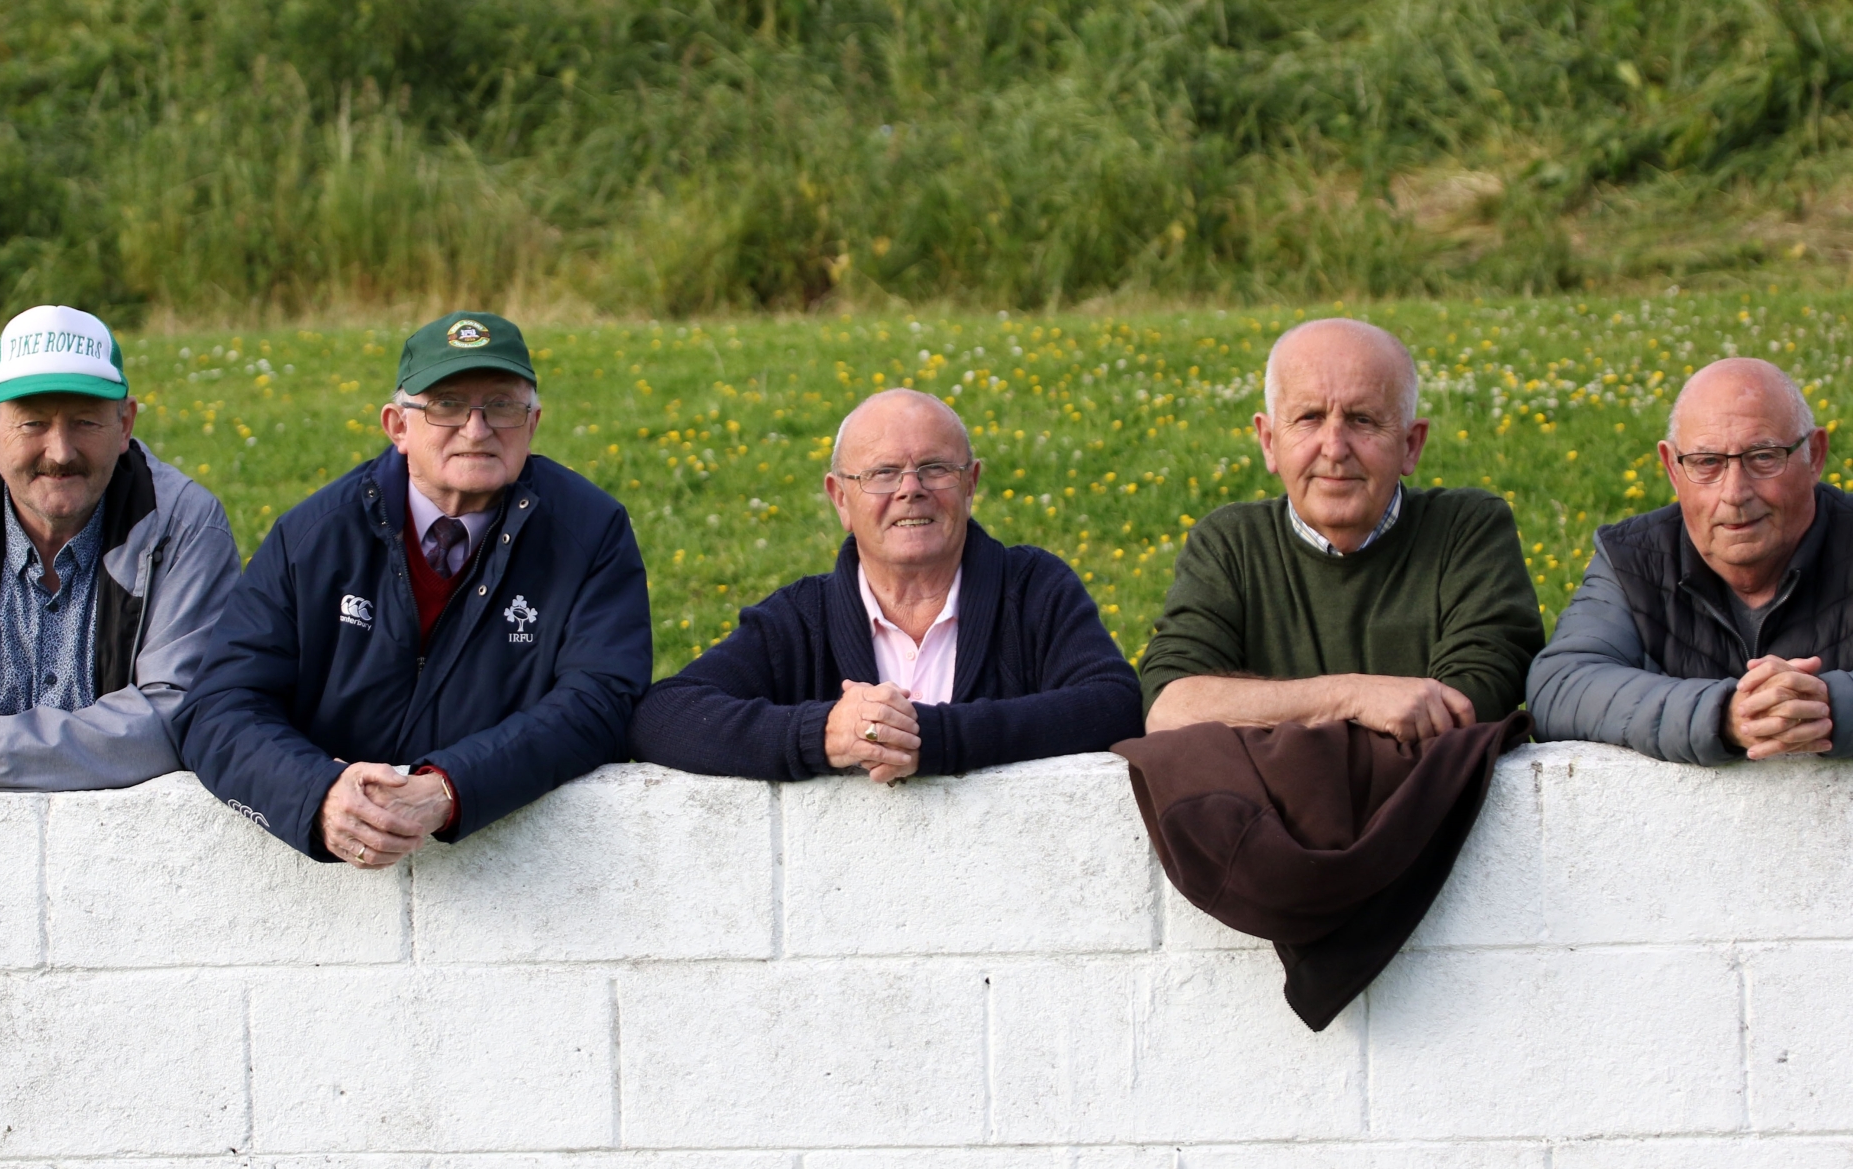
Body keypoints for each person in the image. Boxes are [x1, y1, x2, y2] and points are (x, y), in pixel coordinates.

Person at [179, 311, 651, 865]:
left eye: (502, 405)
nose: (476, 430)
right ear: (397, 426)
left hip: (513, 879)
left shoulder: (590, 531)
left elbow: (601, 701)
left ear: (533, 423)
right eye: (446, 405)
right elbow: (218, 708)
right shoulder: (313, 536)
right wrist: (319, 795)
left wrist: (451, 787)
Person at [628, 387, 1141, 780]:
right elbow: (663, 717)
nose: (910, 490)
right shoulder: (801, 618)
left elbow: (1113, 703)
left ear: (971, 484)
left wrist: (934, 738)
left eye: (935, 468)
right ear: (840, 499)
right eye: (882, 473)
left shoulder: (1033, 588)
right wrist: (825, 734)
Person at [1140, 318, 1543, 736]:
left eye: (1363, 420)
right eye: (1309, 417)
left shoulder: (1466, 531)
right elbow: (1172, 707)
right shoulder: (1230, 545)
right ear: (1268, 441)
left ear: (1411, 445)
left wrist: (1266, 719)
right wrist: (1351, 696)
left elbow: (1466, 705)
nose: (1334, 448)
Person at [0, 305, 238, 791]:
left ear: (125, 424)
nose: (60, 452)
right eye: (32, 423)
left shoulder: (186, 528)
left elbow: (178, 717)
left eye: (86, 423)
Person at [1529, 357, 1848, 763]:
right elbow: (1560, 687)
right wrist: (1726, 713)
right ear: (1671, 468)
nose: (1734, 493)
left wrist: (1826, 705)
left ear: (1815, 455)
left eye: (1763, 456)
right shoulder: (1632, 559)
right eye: (1707, 463)